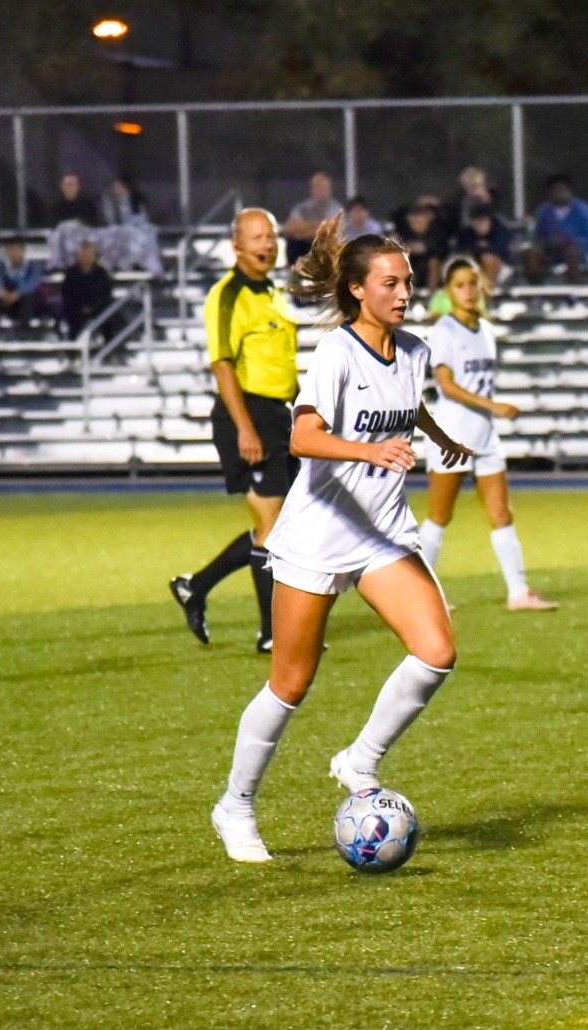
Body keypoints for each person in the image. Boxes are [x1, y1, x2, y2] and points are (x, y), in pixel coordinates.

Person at [208, 220, 473, 863]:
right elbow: (302, 437)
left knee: (437, 651)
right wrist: (368, 450)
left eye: (408, 281)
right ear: (357, 290)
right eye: (391, 283)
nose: (405, 292)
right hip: (319, 536)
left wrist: (436, 437)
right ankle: (235, 806)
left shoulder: (410, 350)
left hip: (381, 533)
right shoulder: (336, 354)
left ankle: (360, 760)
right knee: (291, 682)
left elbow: (405, 405)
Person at [169, 209, 297, 651]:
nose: (267, 244)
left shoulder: (273, 293)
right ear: (237, 246)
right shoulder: (226, 296)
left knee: (282, 525)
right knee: (273, 527)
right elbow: (223, 365)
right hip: (248, 414)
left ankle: (195, 586)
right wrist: (246, 429)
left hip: (277, 416)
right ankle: (272, 634)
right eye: (257, 237)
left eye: (271, 236)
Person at [416, 257, 558, 611]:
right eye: (460, 285)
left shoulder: (487, 331)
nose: (468, 291)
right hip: (453, 434)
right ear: (449, 292)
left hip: (485, 434)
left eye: (473, 283)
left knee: (501, 513)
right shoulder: (445, 331)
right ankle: (419, 595)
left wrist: (490, 413)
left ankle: (518, 592)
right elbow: (446, 386)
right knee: (439, 515)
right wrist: (493, 406)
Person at [522, 174, 588, 284]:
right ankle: (536, 290)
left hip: (576, 251)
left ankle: (574, 290)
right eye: (556, 190)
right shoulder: (543, 211)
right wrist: (549, 242)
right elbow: (538, 236)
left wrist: (568, 241)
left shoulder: (582, 210)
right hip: (550, 251)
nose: (560, 193)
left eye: (563, 189)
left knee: (572, 254)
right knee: (531, 254)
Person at [99, 176, 164, 274]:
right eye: (115, 186)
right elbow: (110, 221)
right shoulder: (109, 201)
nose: (116, 189)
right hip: (118, 234)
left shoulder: (135, 200)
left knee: (146, 238)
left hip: (135, 232)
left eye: (119, 186)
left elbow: (140, 220)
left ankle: (152, 269)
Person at [281, 172, 342, 264]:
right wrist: (317, 226)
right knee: (293, 242)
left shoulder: (336, 209)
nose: (322, 191)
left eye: (324, 188)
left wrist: (302, 230)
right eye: (318, 187)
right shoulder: (302, 208)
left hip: (324, 253)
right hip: (302, 249)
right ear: (312, 189)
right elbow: (290, 228)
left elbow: (329, 232)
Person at [0, 239, 50, 330]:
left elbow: (33, 282)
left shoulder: (33, 266)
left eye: (16, 250)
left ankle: (24, 330)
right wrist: (2, 293)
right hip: (8, 300)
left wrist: (18, 293)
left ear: (23, 251)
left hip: (28, 301)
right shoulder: (1, 266)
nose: (13, 253)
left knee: (27, 296)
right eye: (10, 250)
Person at [60, 241, 115, 338]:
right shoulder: (71, 273)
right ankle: (72, 350)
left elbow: (106, 293)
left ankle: (109, 348)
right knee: (72, 322)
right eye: (83, 254)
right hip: (76, 309)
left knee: (108, 320)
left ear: (95, 256)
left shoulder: (101, 273)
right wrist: (80, 307)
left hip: (98, 308)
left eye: (89, 254)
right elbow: (66, 293)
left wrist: (93, 307)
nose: (86, 257)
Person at [454, 204, 513, 292]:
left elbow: (499, 250)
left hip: (501, 267)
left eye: (483, 220)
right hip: (475, 267)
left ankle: (486, 293)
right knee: (466, 260)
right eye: (476, 221)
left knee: (489, 260)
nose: (480, 224)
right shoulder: (466, 234)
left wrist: (481, 249)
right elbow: (460, 250)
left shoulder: (500, 231)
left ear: (489, 221)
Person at [393, 200, 445, 293]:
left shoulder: (436, 232)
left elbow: (441, 249)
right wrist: (409, 248)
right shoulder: (404, 232)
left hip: (431, 265)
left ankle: (431, 295)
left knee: (434, 262)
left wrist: (426, 248)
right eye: (415, 220)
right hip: (412, 265)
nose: (417, 223)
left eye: (421, 219)